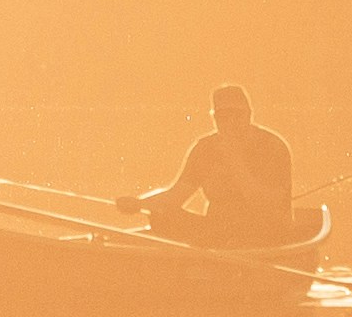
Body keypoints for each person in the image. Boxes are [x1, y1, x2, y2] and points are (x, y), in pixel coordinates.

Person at [123, 84, 294, 246]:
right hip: (218, 230)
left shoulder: (272, 147)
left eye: (237, 115)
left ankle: (211, 248)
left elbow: (264, 204)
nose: (231, 122)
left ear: (249, 114)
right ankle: (208, 247)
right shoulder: (204, 149)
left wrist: (234, 161)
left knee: (248, 232)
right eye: (223, 116)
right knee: (162, 215)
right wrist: (138, 204)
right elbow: (175, 196)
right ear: (214, 119)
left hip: (264, 231)